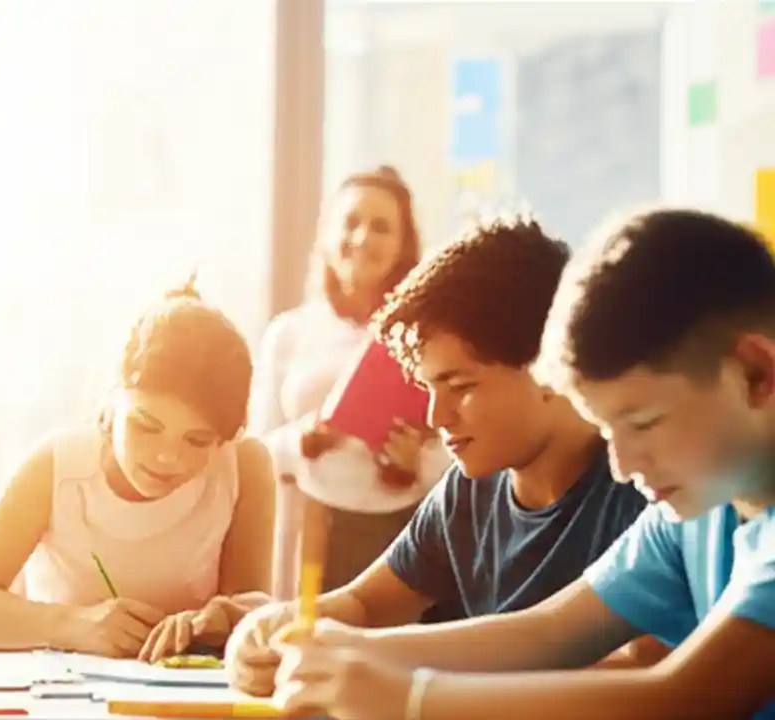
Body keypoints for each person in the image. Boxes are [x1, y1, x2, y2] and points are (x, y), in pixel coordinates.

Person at [267, 209, 775, 720]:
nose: (621, 466)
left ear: (756, 373)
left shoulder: (696, 488)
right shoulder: (695, 503)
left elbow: (691, 698)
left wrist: (412, 700)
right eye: (606, 428)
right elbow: (549, 631)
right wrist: (342, 652)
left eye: (642, 423)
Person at [228, 217, 654, 696]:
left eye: (462, 387)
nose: (436, 416)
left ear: (550, 366)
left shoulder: (645, 485)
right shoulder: (469, 489)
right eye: (427, 388)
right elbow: (367, 605)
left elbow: (640, 669)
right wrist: (274, 627)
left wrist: (403, 677)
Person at [0, 280, 275, 661]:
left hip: (185, 696)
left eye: (197, 441)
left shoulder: (244, 464)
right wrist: (70, 625)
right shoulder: (57, 466)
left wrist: (224, 618)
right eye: (146, 426)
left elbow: (255, 605)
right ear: (113, 398)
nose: (168, 457)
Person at [250, 165, 447, 594]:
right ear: (326, 235)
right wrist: (300, 439)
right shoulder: (290, 332)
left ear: (403, 245)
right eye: (351, 222)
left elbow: (462, 452)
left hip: (399, 530)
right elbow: (254, 450)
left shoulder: (426, 337)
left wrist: (417, 462)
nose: (362, 239)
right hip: (307, 522)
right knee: (300, 643)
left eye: (381, 227)